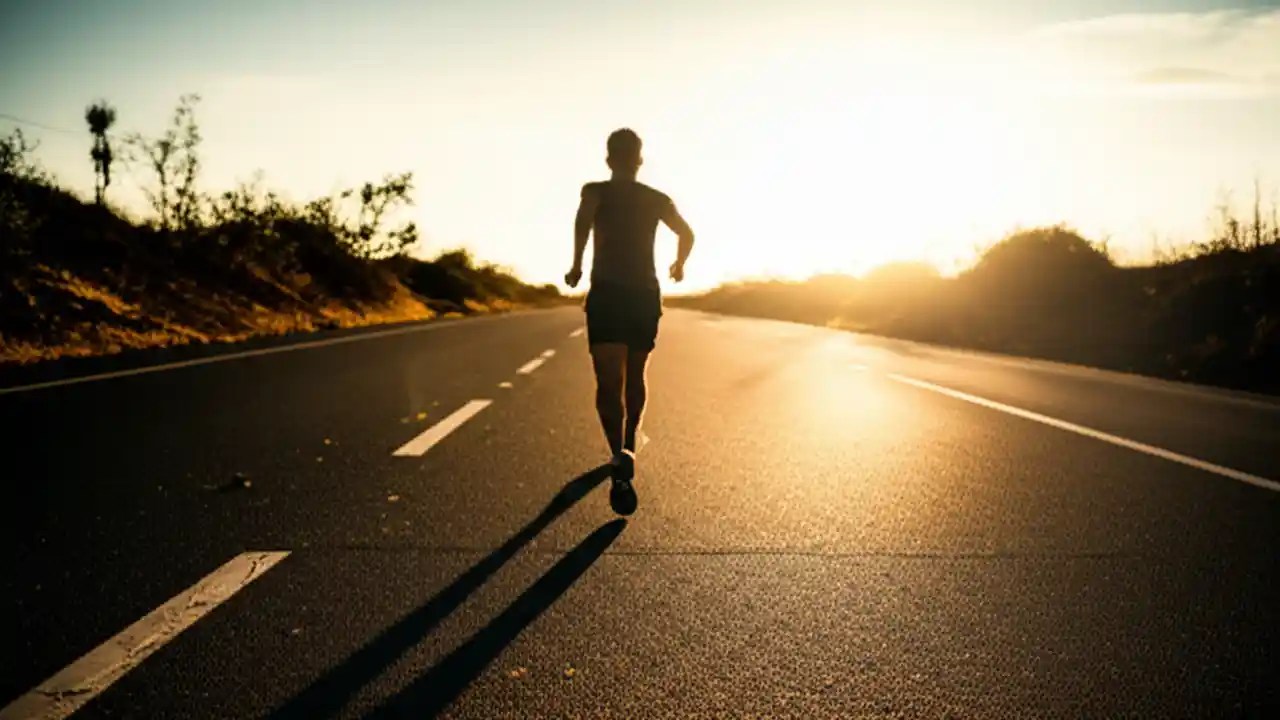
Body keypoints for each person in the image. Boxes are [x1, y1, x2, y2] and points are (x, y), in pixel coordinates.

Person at [564, 128, 695, 515]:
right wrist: (680, 263)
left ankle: (617, 458)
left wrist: (575, 265)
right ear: (639, 160)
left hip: (607, 293)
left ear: (608, 160)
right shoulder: (656, 199)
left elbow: (583, 223)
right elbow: (687, 233)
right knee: (636, 373)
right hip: (643, 295)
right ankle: (629, 447)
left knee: (609, 380)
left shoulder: (594, 191)